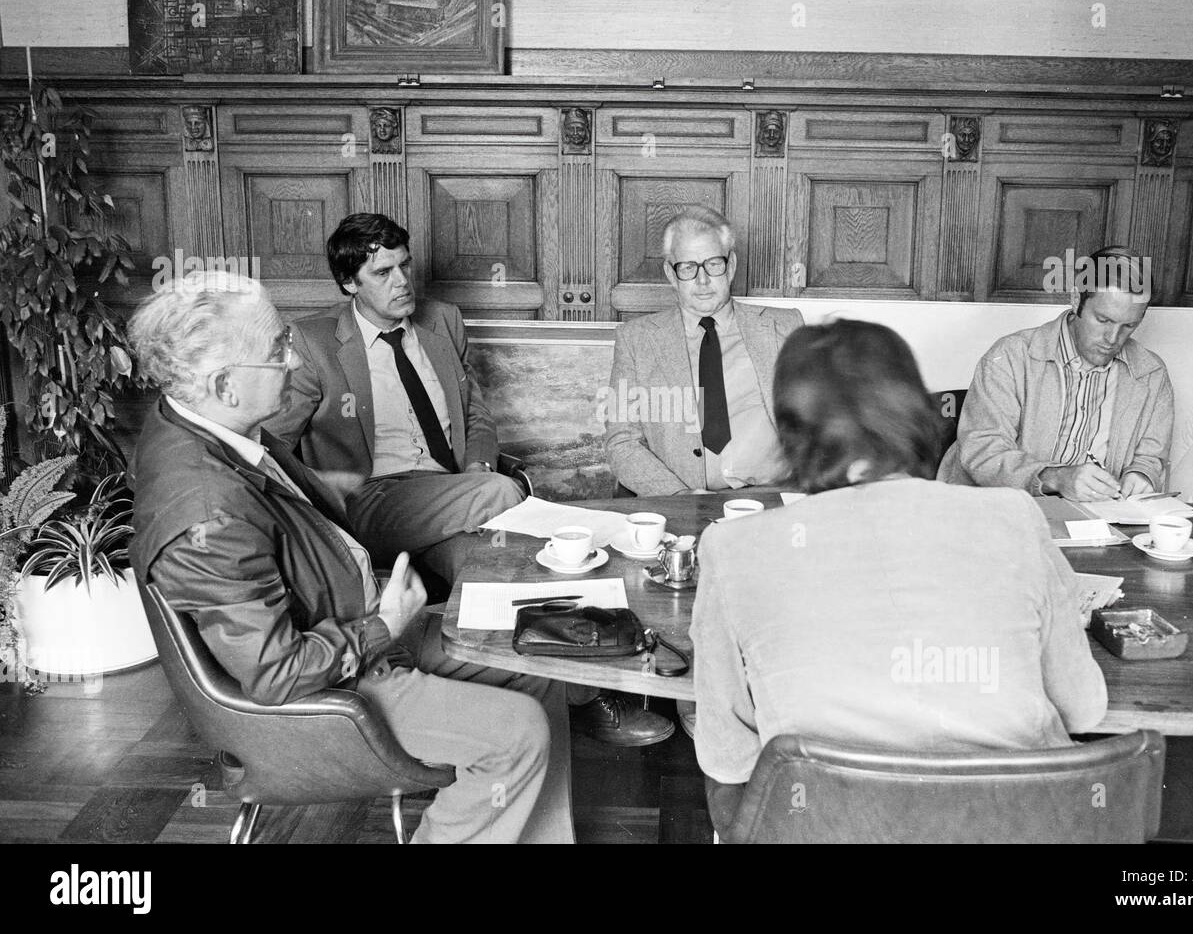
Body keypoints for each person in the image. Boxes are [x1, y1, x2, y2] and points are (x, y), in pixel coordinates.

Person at [127, 271, 573, 844]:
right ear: (225, 384)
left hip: (348, 633)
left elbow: (270, 516)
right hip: (334, 689)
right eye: (276, 351)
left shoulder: (208, 428)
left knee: (537, 660)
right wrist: (383, 625)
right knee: (520, 732)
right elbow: (275, 674)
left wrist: (320, 492)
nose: (292, 362)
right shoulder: (208, 511)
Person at [690, 319, 1108, 832]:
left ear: (791, 430)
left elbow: (727, 758)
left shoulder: (731, 549)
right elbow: (1085, 709)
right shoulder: (1016, 517)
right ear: (917, 410)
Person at [264, 213, 523, 588]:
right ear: (349, 282)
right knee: (502, 489)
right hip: (370, 500)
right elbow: (273, 445)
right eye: (383, 273)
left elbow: (473, 412)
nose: (402, 282)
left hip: (451, 492)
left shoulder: (444, 320)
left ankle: (458, 645)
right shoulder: (312, 341)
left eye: (404, 265)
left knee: (485, 569)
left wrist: (479, 466)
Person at [938, 246, 1174, 502]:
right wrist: (1056, 478)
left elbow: (1151, 457)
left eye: (1129, 325)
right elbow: (983, 451)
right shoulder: (1010, 356)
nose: (1113, 339)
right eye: (1103, 320)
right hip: (1004, 510)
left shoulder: (1151, 374)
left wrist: (1142, 475)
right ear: (1076, 300)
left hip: (1097, 521)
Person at [604, 205, 803, 497]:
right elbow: (622, 442)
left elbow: (821, 425)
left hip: (771, 498)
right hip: (681, 500)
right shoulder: (636, 339)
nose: (702, 280)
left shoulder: (783, 327)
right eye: (688, 268)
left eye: (713, 264)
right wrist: (679, 498)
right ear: (671, 275)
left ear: (731, 265)